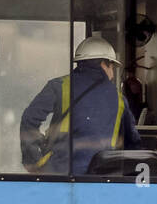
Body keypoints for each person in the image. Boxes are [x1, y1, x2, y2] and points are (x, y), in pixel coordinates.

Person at [20, 36, 142, 175]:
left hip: (58, 175)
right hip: (100, 179)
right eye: (112, 68)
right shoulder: (119, 100)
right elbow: (133, 144)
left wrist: (34, 161)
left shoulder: (59, 86)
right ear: (104, 64)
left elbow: (29, 120)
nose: (113, 75)